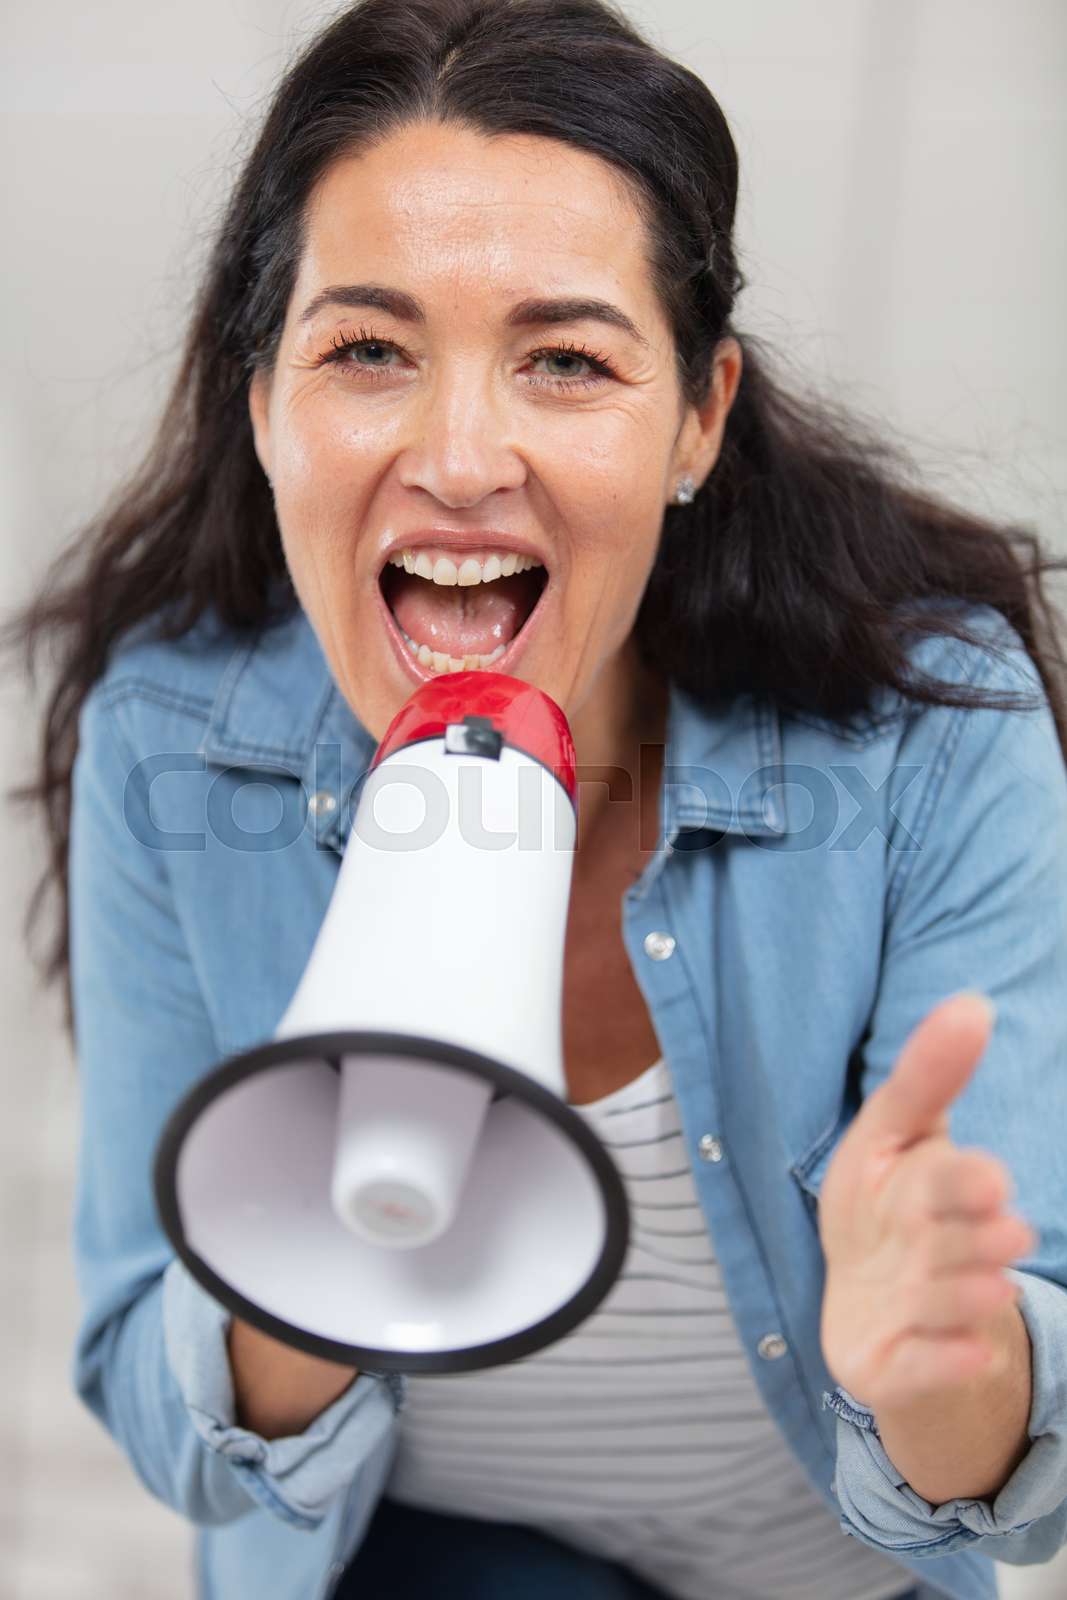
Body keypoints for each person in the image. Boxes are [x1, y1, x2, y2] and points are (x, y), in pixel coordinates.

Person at [5, 1, 1067, 1597]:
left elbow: (1014, 1485)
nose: (458, 454)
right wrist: (322, 1221)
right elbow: (171, 1424)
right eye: (368, 350)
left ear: (698, 418)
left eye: (566, 360)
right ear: (264, 405)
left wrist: (942, 1364)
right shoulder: (174, 741)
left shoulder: (937, 732)